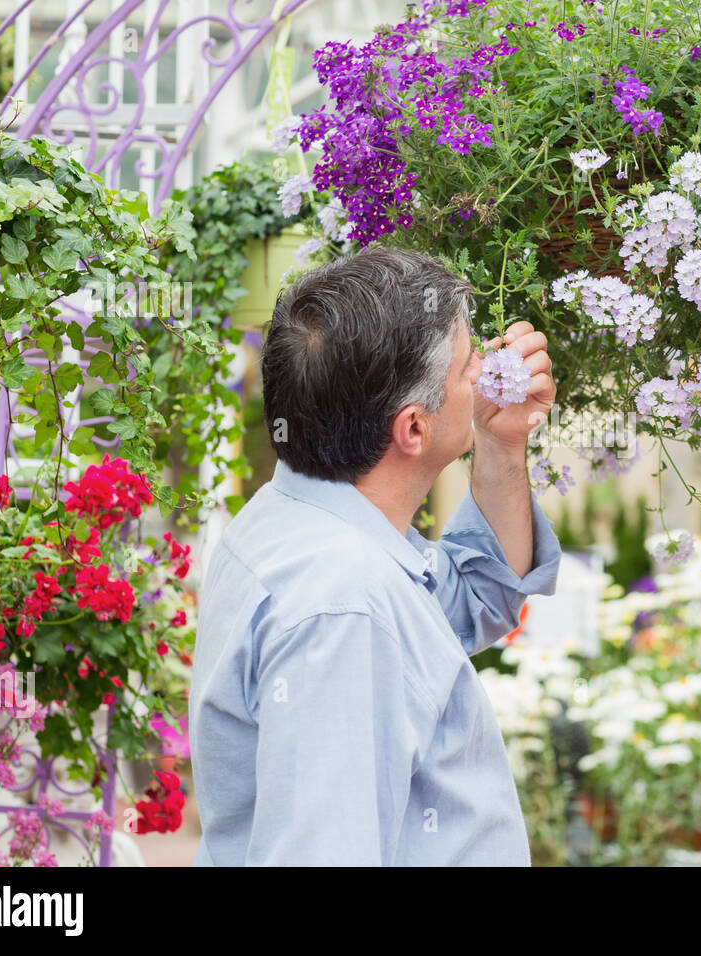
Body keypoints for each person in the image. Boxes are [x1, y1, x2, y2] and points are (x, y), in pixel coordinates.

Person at [188, 247, 562, 865]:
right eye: (470, 365)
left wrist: (501, 443)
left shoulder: (302, 519)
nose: (490, 372)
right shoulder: (343, 607)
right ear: (413, 429)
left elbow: (477, 598)